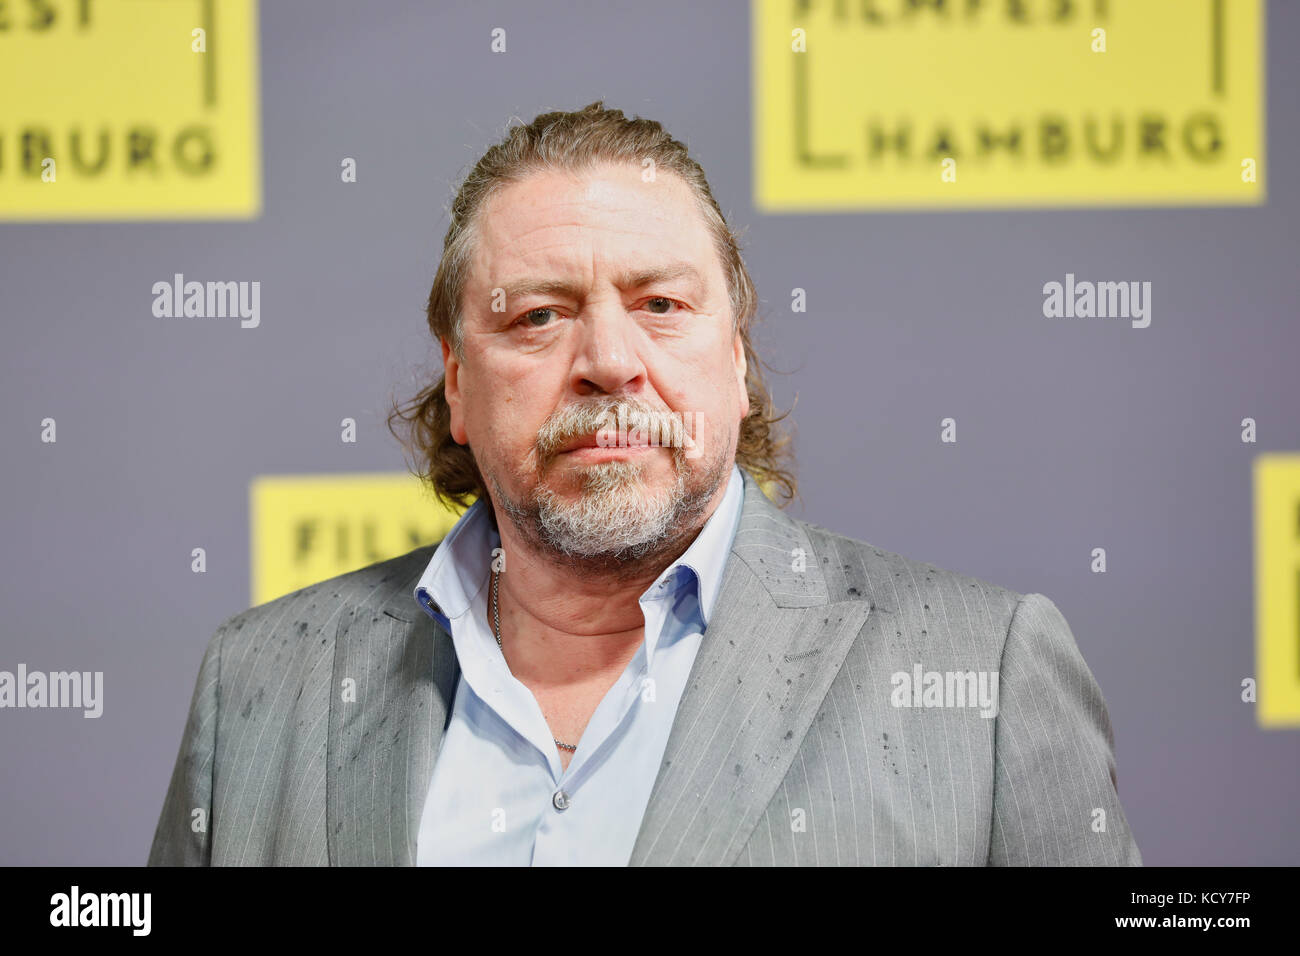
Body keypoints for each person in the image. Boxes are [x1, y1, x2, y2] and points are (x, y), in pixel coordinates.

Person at [148, 101, 1141, 866]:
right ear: (457, 381)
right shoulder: (261, 684)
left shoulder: (986, 681)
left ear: (739, 361)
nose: (609, 360)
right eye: (538, 316)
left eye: (660, 303)